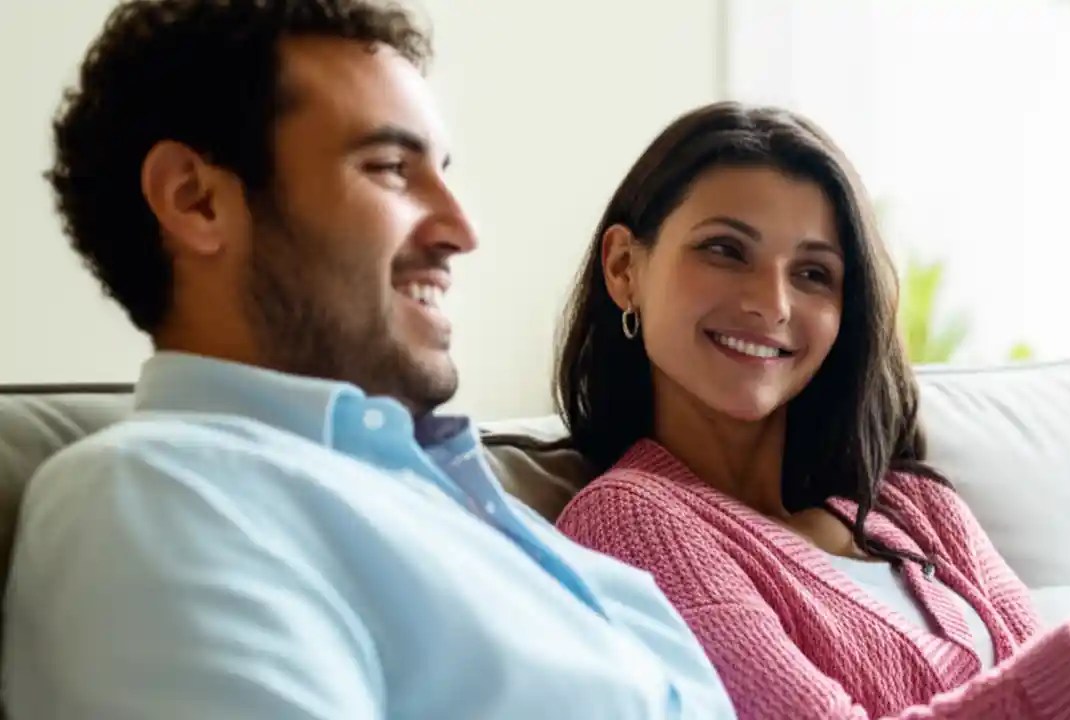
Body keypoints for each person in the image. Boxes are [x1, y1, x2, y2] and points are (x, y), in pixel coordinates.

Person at [2, 2, 737, 718]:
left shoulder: (491, 515)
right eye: (390, 167)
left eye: (443, 170)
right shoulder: (160, 495)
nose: (461, 230)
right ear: (196, 201)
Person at [553, 100, 1070, 719]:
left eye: (812, 273)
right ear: (625, 269)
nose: (771, 303)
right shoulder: (631, 519)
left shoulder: (914, 507)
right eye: (725, 251)